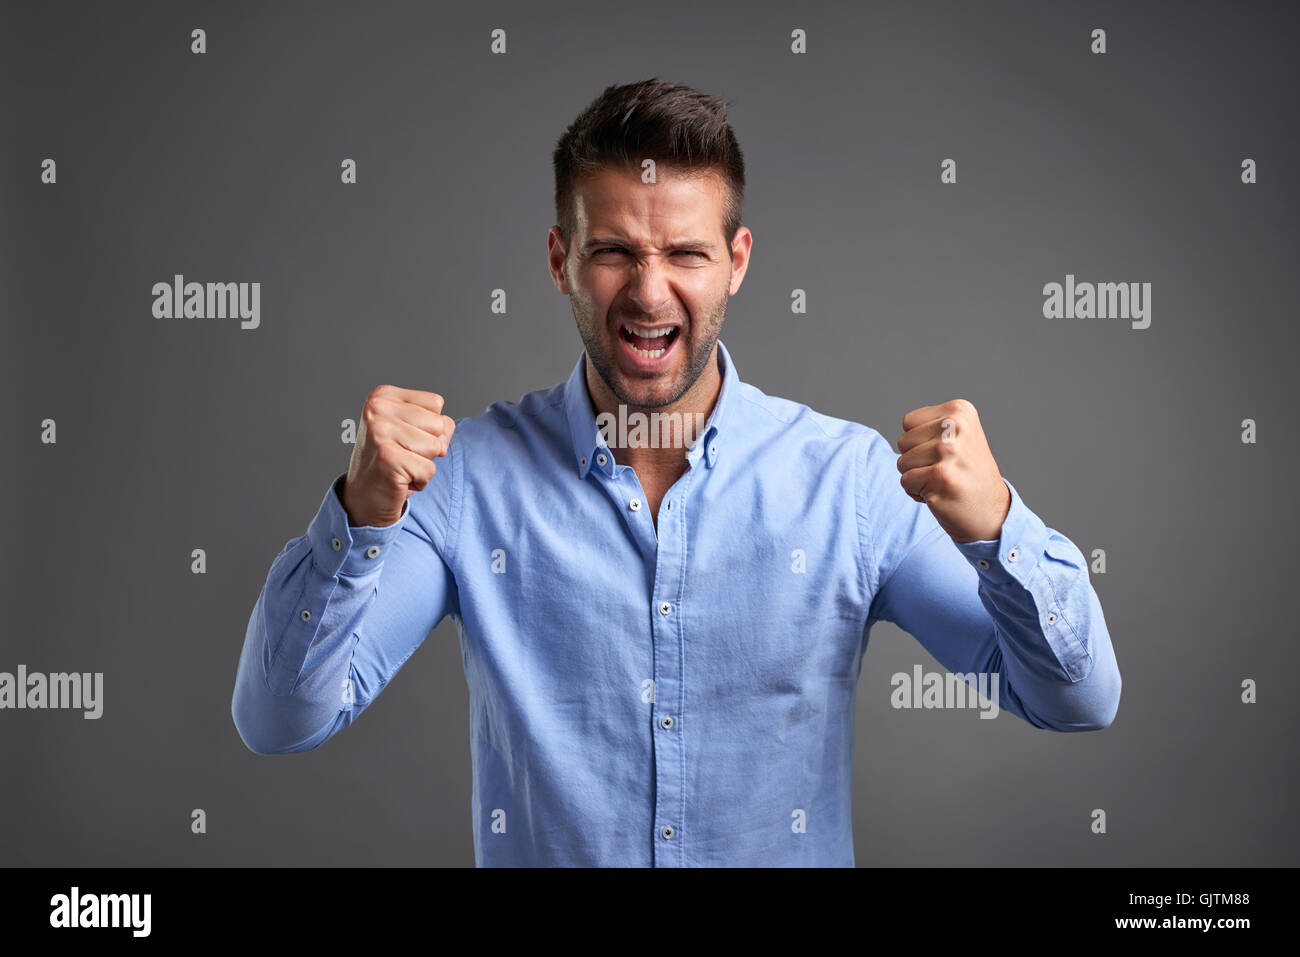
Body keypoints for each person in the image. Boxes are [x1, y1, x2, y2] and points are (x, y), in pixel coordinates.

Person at [231, 78, 1121, 866]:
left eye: (685, 254)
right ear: (560, 262)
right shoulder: (462, 482)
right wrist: (358, 518)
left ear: (735, 262)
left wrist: (1000, 525)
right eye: (614, 250)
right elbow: (281, 720)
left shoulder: (848, 485)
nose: (649, 293)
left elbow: (1076, 697)